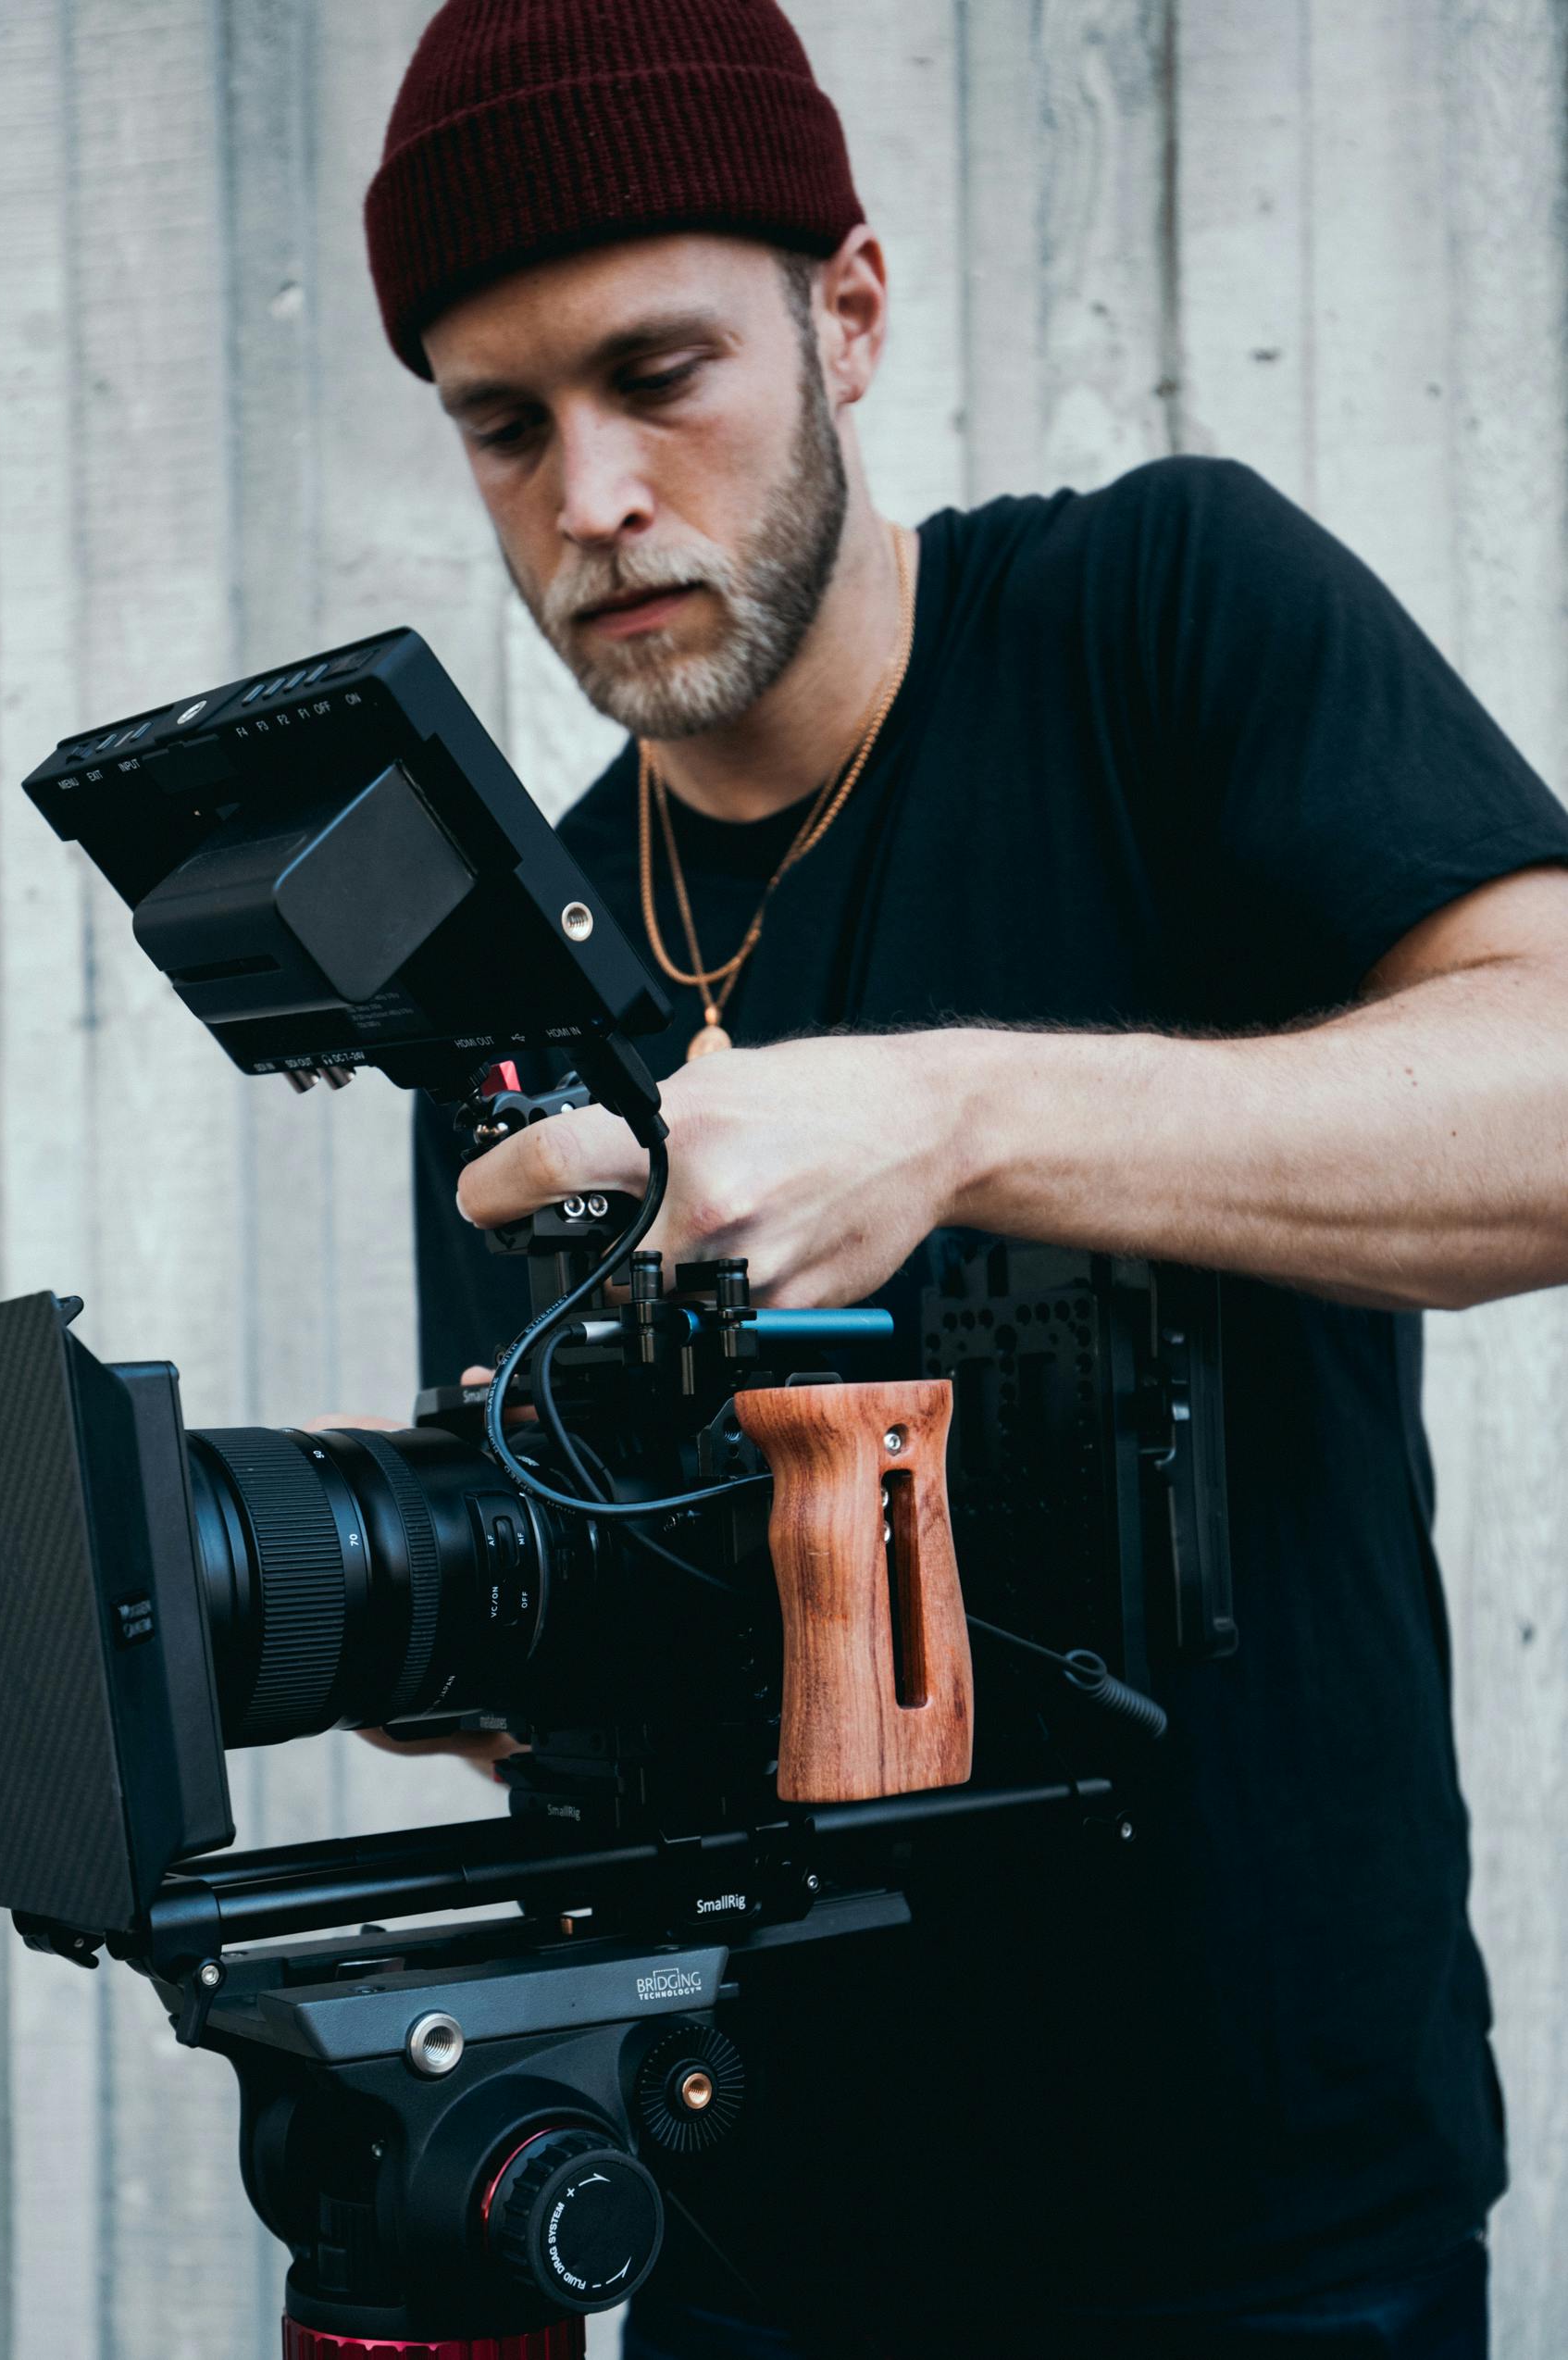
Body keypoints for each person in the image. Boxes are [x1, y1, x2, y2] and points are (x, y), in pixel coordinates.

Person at [355, 3, 1568, 2352]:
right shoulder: (520, 958)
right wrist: (468, 1627)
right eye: (504, 426)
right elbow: (635, 1628)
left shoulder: (1158, 618)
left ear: (854, 312)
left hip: (1265, 2245)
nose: (591, 492)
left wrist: (960, 1117)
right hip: (744, 2243)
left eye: (661, 371)